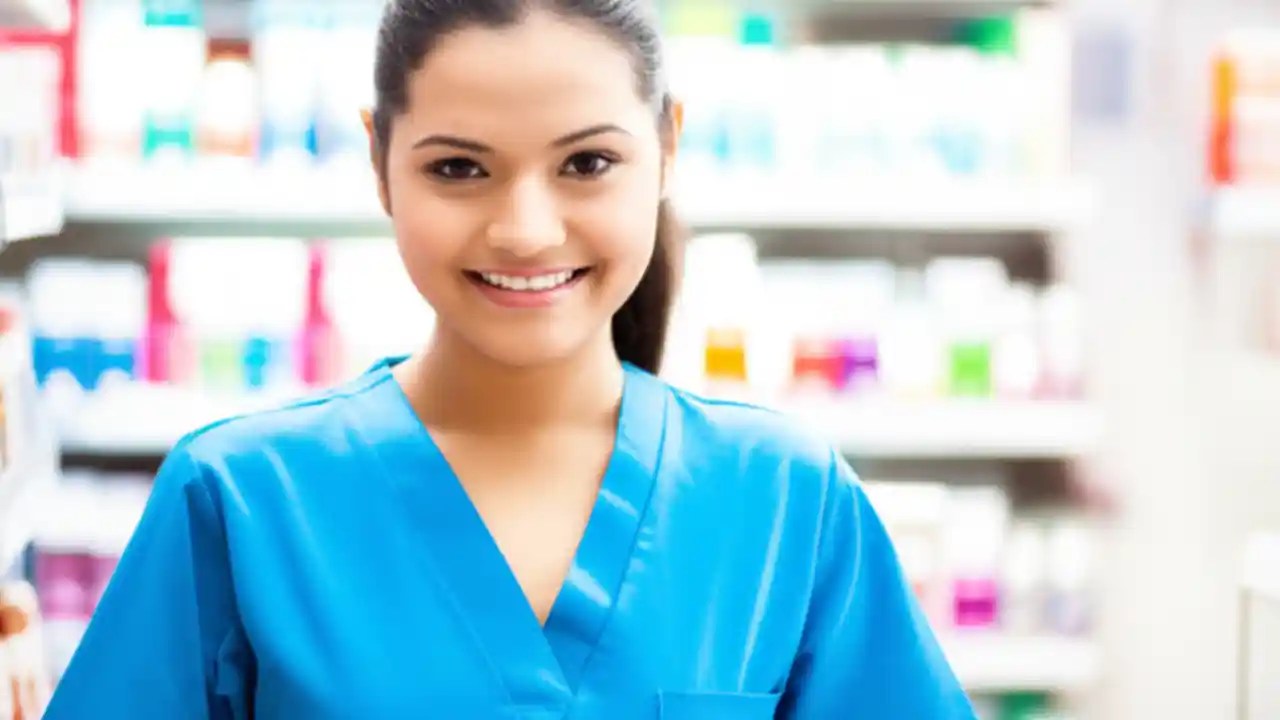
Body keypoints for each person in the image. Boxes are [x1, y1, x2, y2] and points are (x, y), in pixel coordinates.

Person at [43, 1, 975, 718]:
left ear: (666, 147)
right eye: (459, 168)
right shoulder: (240, 500)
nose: (526, 231)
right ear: (380, 162)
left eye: (587, 164)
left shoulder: (784, 502)